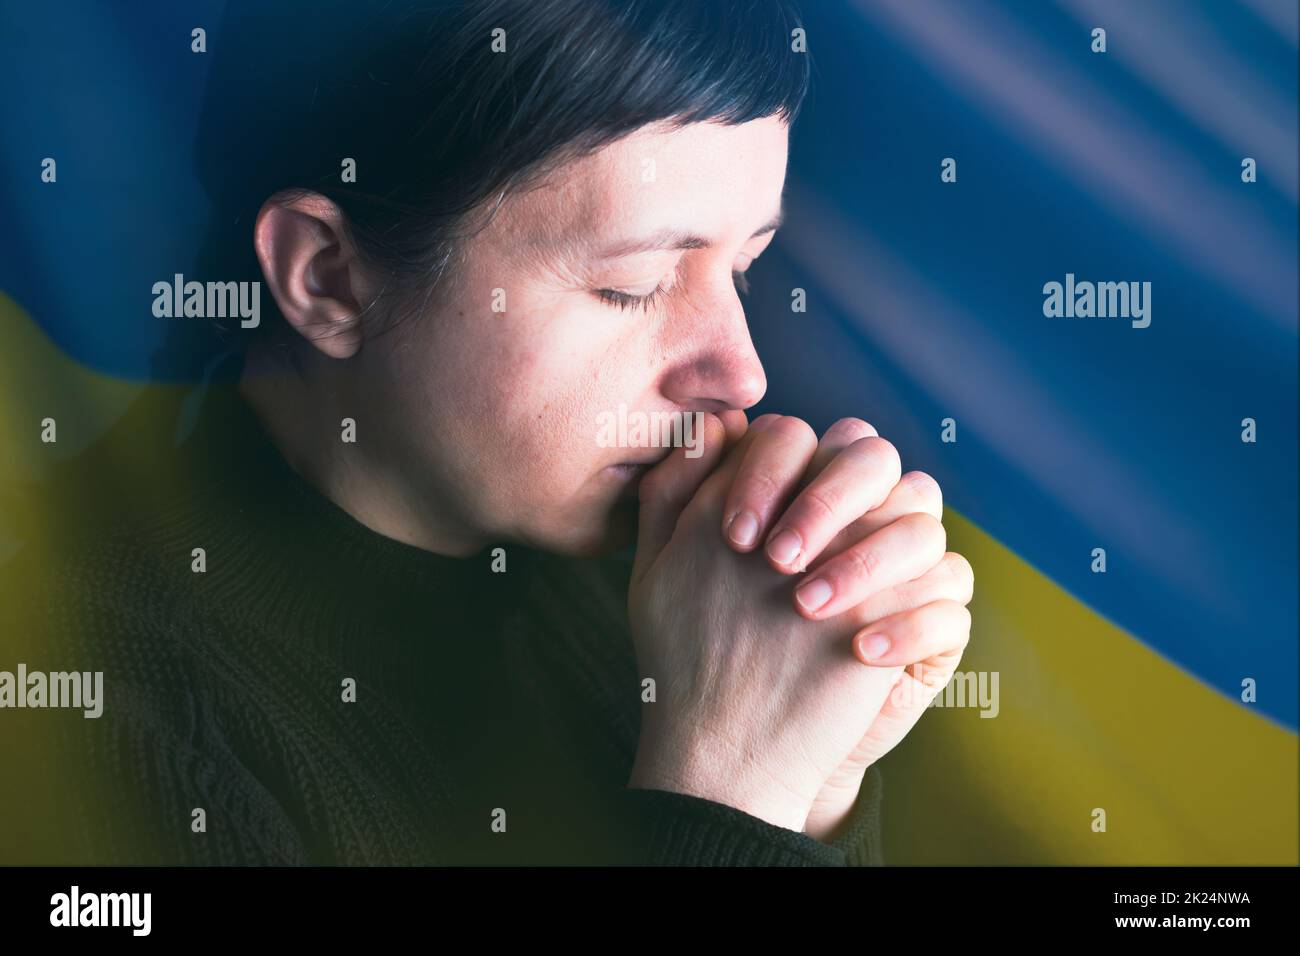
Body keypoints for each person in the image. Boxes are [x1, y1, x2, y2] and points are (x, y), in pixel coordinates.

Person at [1, 0, 972, 865]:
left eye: (745, 268)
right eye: (628, 286)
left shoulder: (695, 588)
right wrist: (733, 791)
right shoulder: (80, 715)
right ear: (326, 275)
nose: (741, 371)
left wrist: (811, 785)